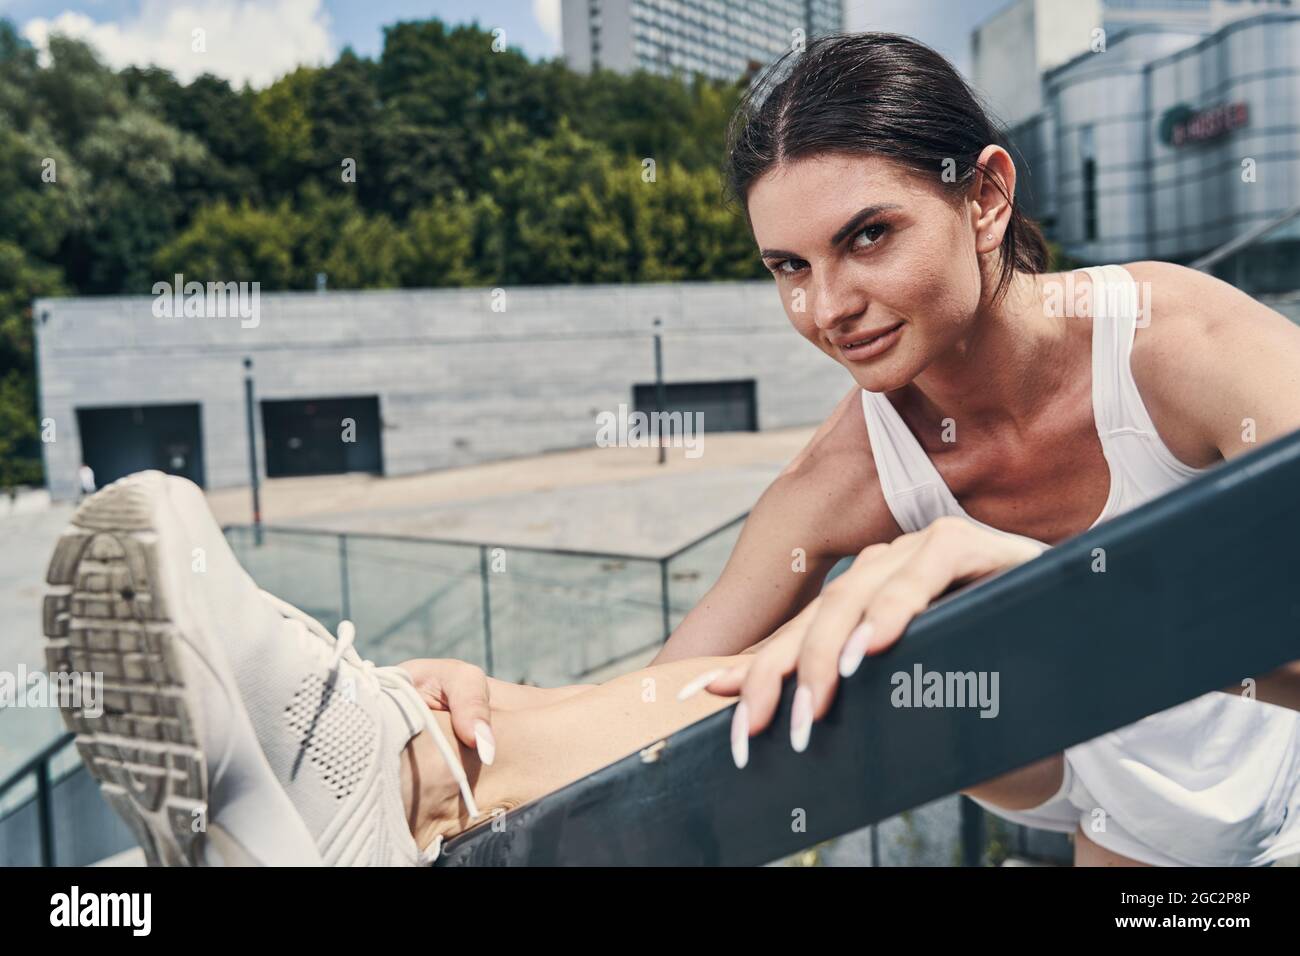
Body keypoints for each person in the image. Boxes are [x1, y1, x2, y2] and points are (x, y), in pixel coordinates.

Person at [403, 33, 1300, 867]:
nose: (826, 308)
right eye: (789, 266)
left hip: (1279, 792)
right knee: (882, 641)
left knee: (947, 607)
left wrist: (1038, 591)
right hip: (1100, 799)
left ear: (985, 198)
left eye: (867, 236)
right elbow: (673, 699)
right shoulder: (846, 472)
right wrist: (474, 710)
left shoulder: (1177, 342)